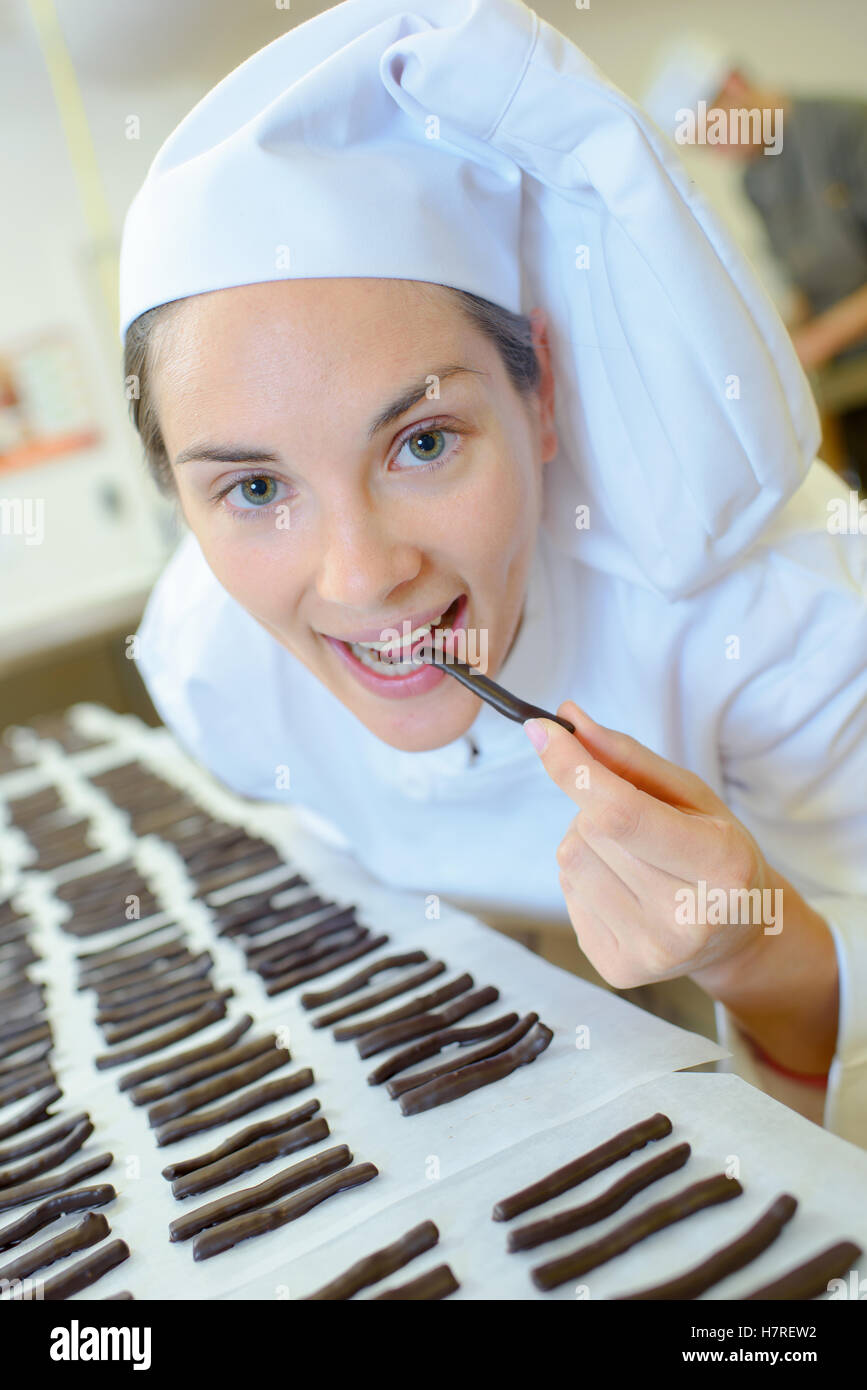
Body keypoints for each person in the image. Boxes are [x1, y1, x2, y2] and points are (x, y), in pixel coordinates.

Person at [119, 0, 867, 1147]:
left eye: (422, 443)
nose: (363, 577)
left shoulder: (779, 617)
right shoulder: (209, 670)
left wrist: (746, 942)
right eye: (256, 490)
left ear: (542, 393)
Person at [644, 37, 867, 493]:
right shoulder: (756, 180)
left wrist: (811, 345)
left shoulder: (849, 127)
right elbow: (806, 278)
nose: (718, 154)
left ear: (735, 85)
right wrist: (776, 339)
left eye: (714, 134)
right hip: (850, 382)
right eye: (702, 146)